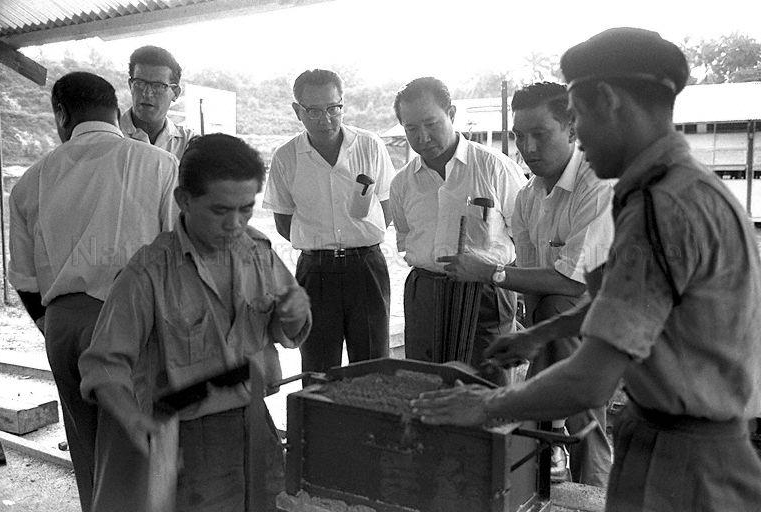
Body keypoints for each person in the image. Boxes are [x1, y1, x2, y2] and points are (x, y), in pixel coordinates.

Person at [411, 28, 761, 511]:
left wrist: (486, 406)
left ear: (610, 101)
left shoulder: (659, 208)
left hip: (687, 465)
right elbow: (631, 301)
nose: (578, 136)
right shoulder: (683, 187)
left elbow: (590, 382)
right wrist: (543, 333)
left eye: (576, 117)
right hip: (677, 445)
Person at [78, 133, 312, 511]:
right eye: (220, 211)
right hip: (187, 437)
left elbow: (284, 328)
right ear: (184, 200)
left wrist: (295, 314)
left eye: (246, 209)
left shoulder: (259, 254)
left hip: (256, 425)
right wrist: (133, 420)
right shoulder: (150, 272)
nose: (235, 224)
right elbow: (103, 364)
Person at [7, 71, 179, 512]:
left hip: (63, 326)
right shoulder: (157, 164)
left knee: (88, 453)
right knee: (134, 460)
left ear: (61, 114)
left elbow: (24, 279)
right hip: (132, 325)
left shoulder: (31, 180)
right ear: (114, 107)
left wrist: (57, 324)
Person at [437, 82, 614, 486]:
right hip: (554, 321)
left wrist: (491, 272)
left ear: (572, 130)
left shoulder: (597, 186)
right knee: (550, 413)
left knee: (582, 421)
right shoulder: (530, 195)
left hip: (608, 325)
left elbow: (570, 283)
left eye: (541, 134)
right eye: (519, 135)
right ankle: (541, 472)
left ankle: (590, 489)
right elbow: (534, 283)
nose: (528, 147)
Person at [263, 69, 393, 377]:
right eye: (315, 111)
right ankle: (323, 426)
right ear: (297, 111)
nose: (327, 119)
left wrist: (357, 238)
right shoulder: (286, 157)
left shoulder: (370, 146)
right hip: (315, 273)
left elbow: (387, 208)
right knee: (319, 369)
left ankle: (372, 425)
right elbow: (283, 221)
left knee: (373, 365)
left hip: (367, 267)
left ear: (343, 104)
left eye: (334, 108)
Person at [390, 76, 526, 370]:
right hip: (425, 293)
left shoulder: (495, 168)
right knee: (426, 383)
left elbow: (524, 238)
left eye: (431, 124)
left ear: (451, 114)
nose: (422, 138)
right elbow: (405, 236)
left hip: (486, 294)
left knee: (488, 386)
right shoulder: (402, 183)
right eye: (411, 129)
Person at [120, 45, 197, 159]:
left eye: (158, 86)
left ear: (175, 93)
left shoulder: (188, 144)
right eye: (140, 83)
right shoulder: (111, 134)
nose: (147, 93)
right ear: (131, 85)